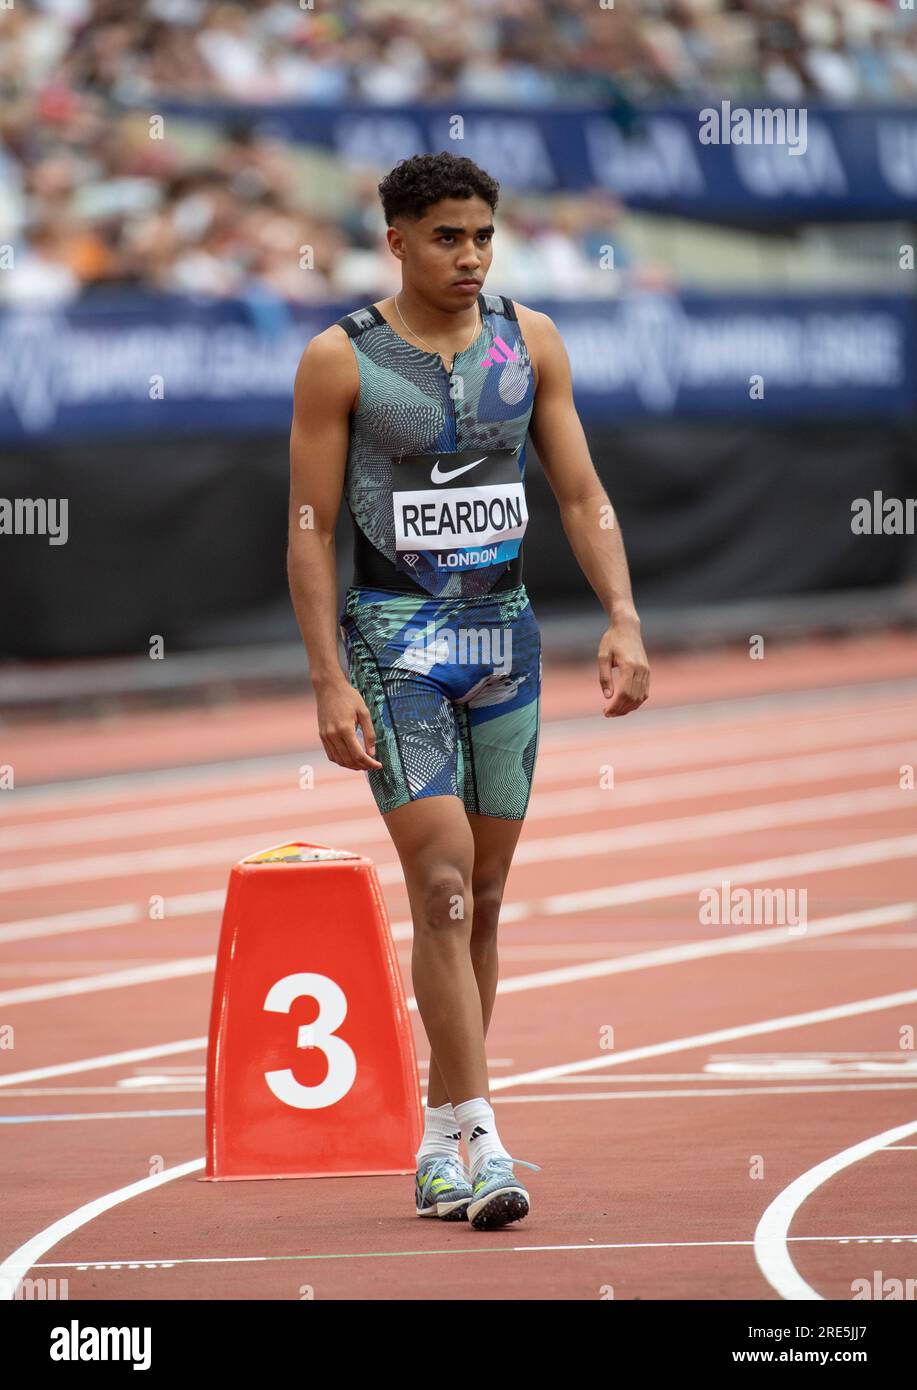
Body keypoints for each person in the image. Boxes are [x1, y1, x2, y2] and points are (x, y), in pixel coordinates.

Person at [287, 151, 650, 1231]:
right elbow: (308, 530)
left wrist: (622, 614)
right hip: (395, 644)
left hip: (507, 639)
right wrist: (324, 676)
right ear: (394, 239)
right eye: (446, 235)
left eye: (482, 234)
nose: (469, 255)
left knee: (483, 898)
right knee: (440, 878)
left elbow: (581, 494)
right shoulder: (339, 360)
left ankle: (446, 1132)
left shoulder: (529, 341)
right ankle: (479, 1133)